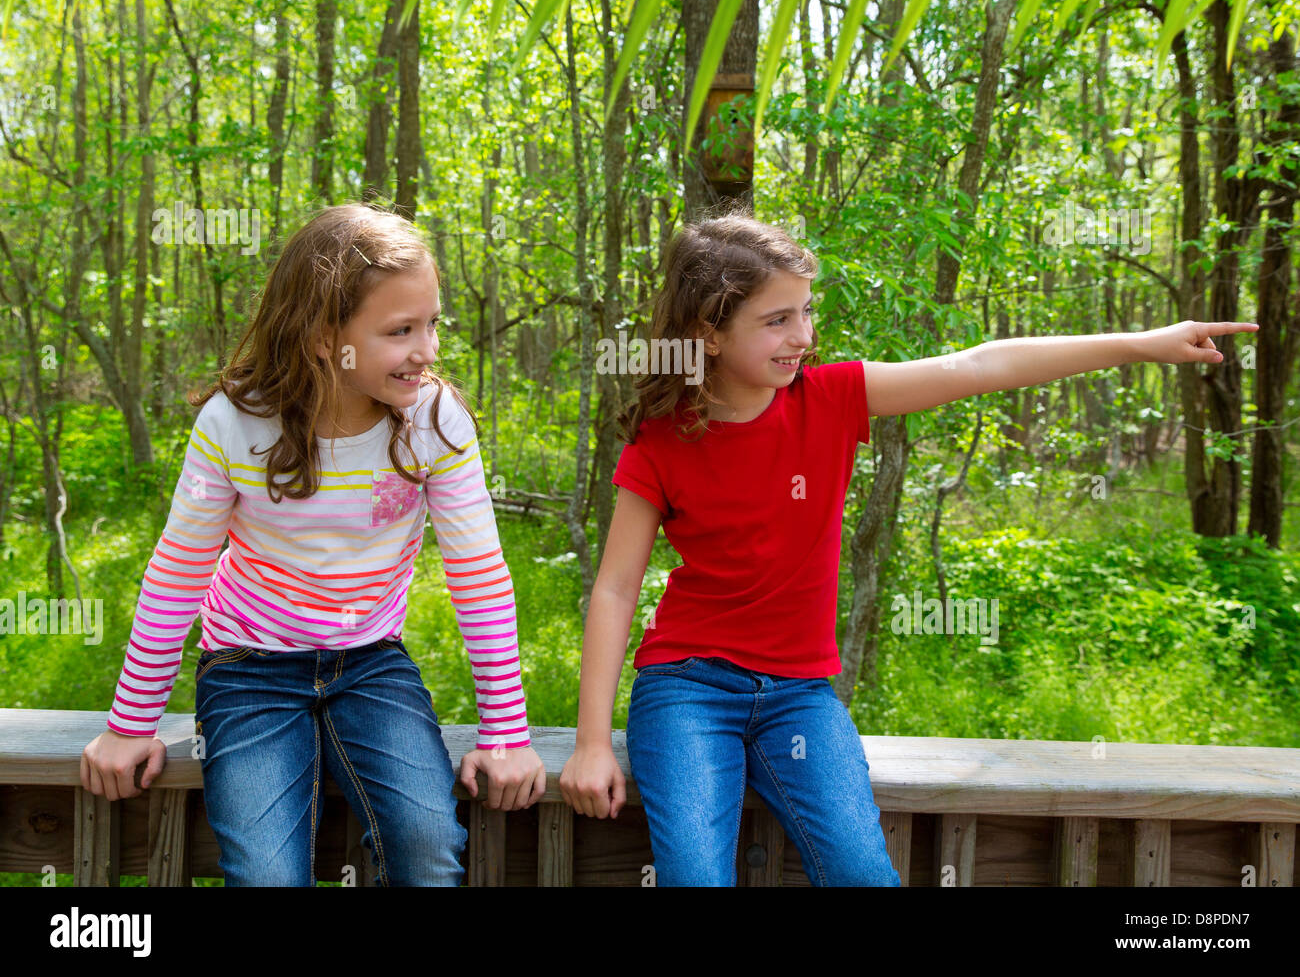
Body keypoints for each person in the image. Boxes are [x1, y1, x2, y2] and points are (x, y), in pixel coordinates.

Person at [558, 210, 1257, 886]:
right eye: (777, 319)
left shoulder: (828, 399)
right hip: (686, 688)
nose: (803, 334)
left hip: (800, 697)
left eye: (806, 311)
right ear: (708, 333)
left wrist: (1143, 342)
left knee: (862, 871)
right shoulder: (664, 440)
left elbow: (976, 365)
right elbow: (617, 589)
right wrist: (592, 744)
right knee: (693, 877)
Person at [80, 204, 545, 886]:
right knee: (267, 872)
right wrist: (131, 723)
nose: (429, 349)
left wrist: (505, 735)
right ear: (327, 337)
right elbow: (179, 571)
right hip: (249, 668)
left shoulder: (435, 422)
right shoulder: (236, 422)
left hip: (371, 662)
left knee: (425, 843)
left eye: (432, 324)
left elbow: (478, 575)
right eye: (401, 331)